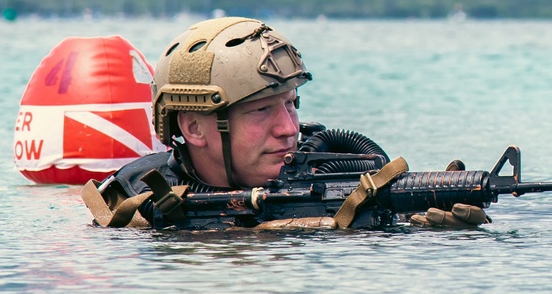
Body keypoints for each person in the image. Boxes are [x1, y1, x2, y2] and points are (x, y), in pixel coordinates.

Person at [81, 16, 488, 230]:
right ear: (194, 128)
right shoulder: (134, 200)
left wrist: (434, 225)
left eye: (291, 104)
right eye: (261, 111)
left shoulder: (344, 167)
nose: (289, 128)